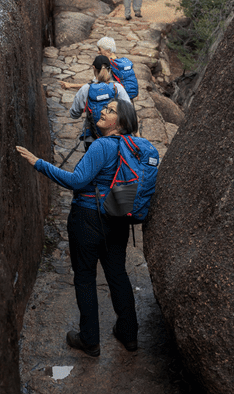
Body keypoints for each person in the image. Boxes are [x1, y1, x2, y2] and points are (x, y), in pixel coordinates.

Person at [15, 98, 140, 356]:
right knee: (117, 274)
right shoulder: (133, 147)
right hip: (117, 216)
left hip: (88, 218)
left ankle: (89, 339)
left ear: (122, 122)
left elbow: (77, 181)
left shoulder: (102, 146)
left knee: (85, 276)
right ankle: (129, 335)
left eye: (111, 110)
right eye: (105, 108)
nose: (103, 111)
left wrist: (38, 163)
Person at [60, 55, 131, 148]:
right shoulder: (117, 88)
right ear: (110, 69)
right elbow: (129, 110)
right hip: (115, 137)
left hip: (92, 138)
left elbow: (74, 114)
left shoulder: (86, 89)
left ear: (93, 68)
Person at [96, 35, 138, 103]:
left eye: (100, 49)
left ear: (108, 50)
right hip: (129, 98)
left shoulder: (109, 66)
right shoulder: (121, 63)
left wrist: (73, 86)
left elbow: (96, 84)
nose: (98, 52)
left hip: (118, 101)